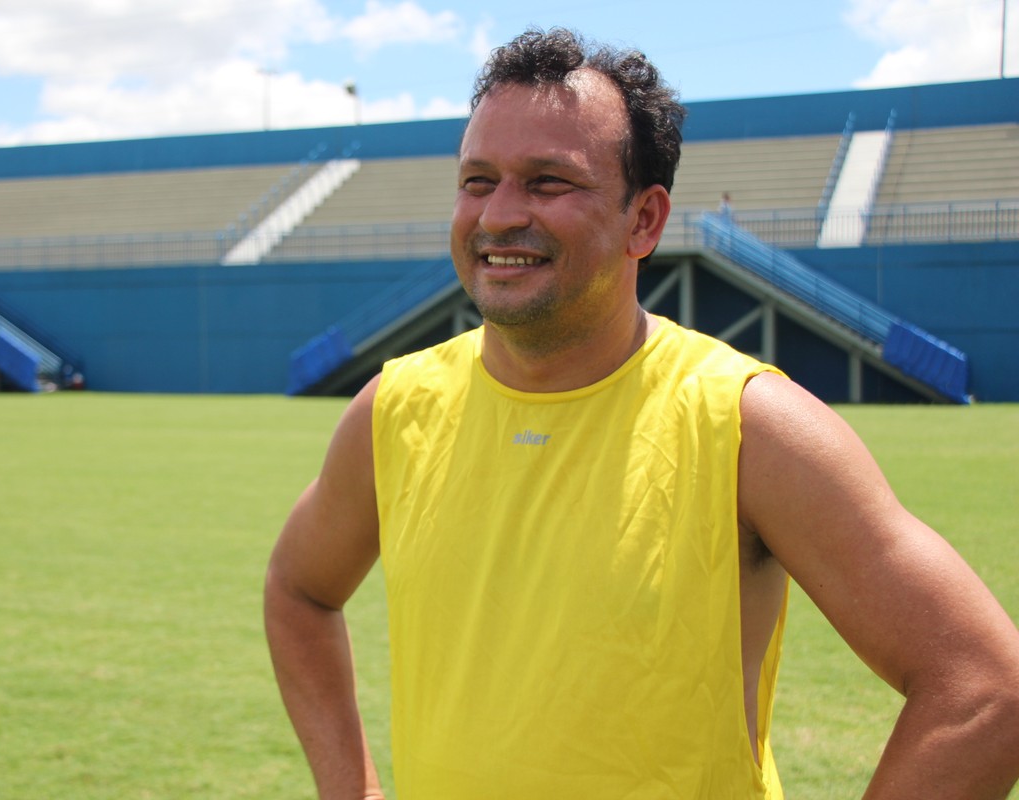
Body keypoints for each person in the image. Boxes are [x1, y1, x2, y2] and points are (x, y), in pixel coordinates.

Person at [264, 27, 1019, 800]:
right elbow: (298, 590)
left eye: (548, 182)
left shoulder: (750, 427)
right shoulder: (393, 410)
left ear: (645, 220)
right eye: (478, 180)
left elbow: (988, 690)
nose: (499, 215)